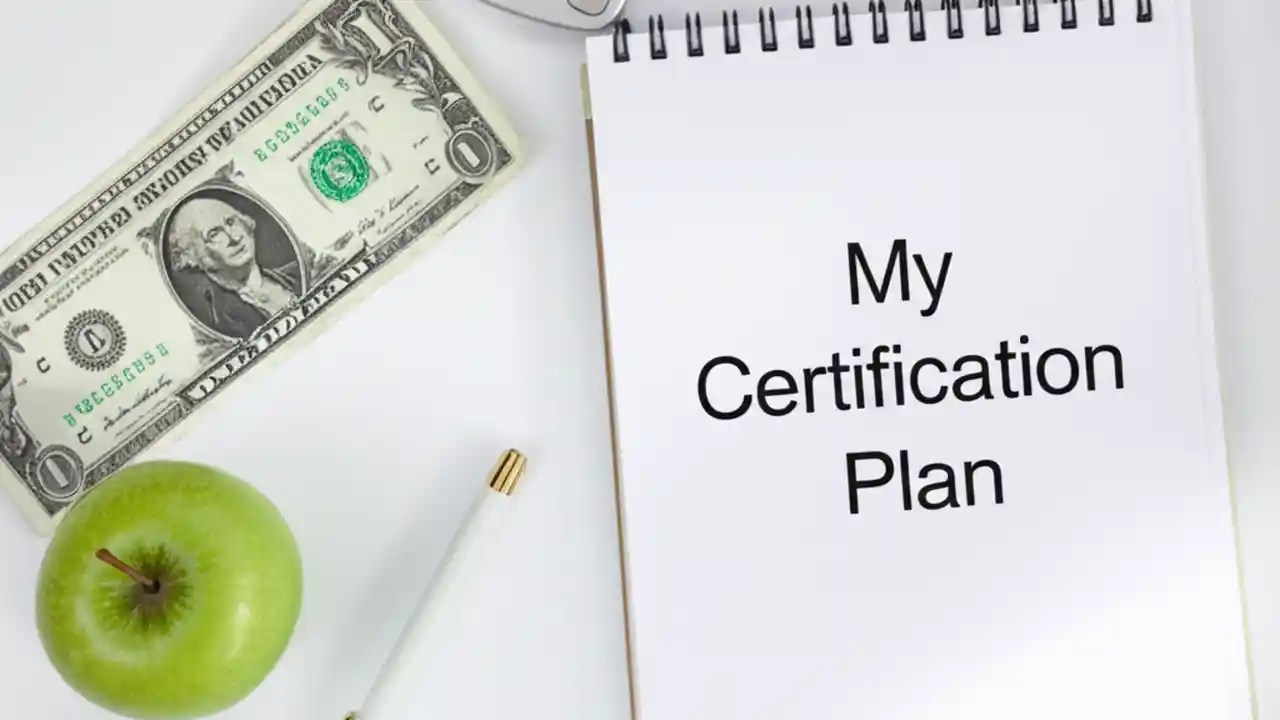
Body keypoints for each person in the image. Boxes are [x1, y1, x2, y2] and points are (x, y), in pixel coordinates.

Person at [167, 198, 302, 339]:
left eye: (231, 222)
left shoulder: (296, 273)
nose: (234, 237)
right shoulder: (221, 323)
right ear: (193, 256)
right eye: (214, 234)